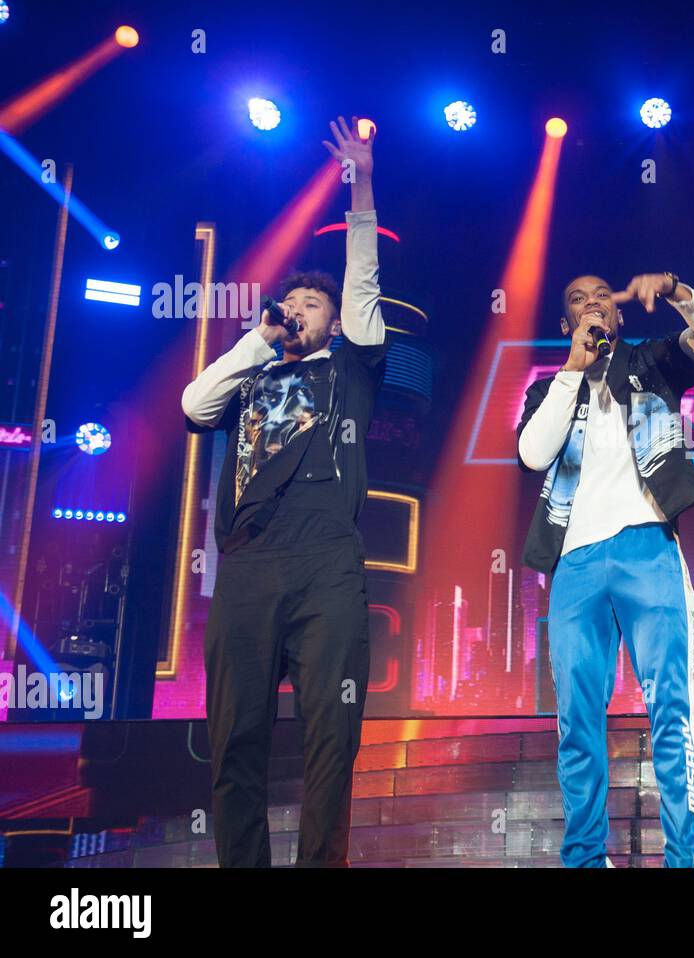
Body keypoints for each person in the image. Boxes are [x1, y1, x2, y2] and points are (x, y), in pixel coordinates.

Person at [180, 116, 386, 866]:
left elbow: (361, 278)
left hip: (326, 563)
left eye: (313, 307)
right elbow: (194, 407)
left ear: (335, 326)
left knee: (333, 734)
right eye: (290, 304)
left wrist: (360, 181)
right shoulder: (253, 373)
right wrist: (256, 340)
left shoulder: (352, 369)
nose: (299, 311)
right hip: (249, 563)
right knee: (236, 735)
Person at [516, 272, 694, 867]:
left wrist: (680, 291)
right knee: (577, 720)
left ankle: (682, 858)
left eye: (601, 298)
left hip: (647, 547)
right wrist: (570, 368)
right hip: (576, 562)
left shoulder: (652, 362)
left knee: (671, 711)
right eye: (577, 301)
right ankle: (584, 859)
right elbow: (533, 454)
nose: (592, 304)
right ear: (567, 326)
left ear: (619, 316)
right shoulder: (549, 389)